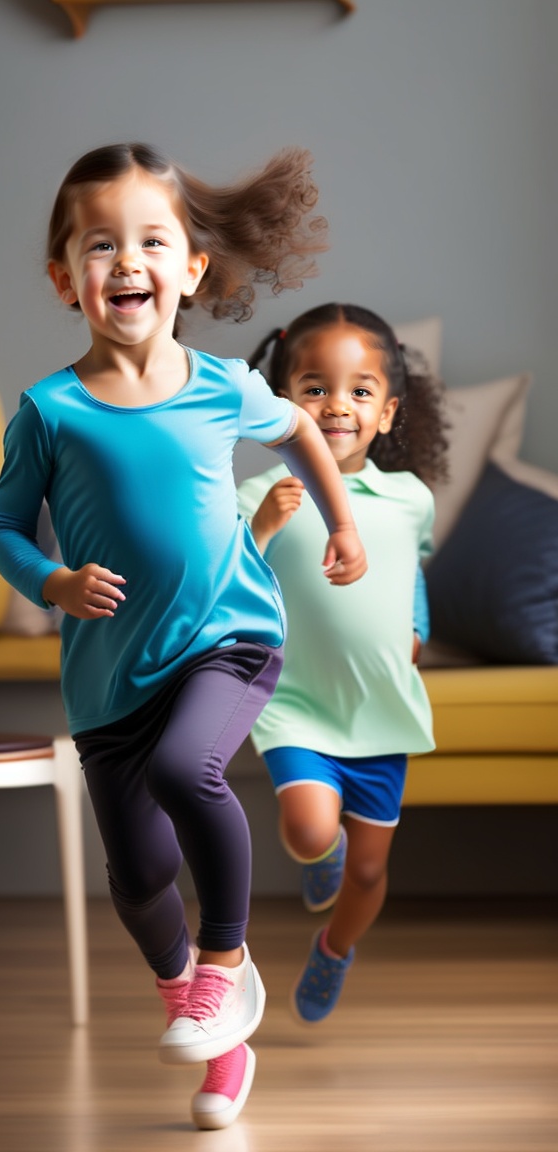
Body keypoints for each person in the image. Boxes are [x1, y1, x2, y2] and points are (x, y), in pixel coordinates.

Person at [0, 144, 367, 1130]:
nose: (128, 261)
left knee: (185, 770)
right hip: (110, 678)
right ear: (66, 278)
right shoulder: (48, 411)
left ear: (189, 268)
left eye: (152, 240)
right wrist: (54, 580)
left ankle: (227, 956)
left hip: (227, 638)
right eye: (101, 244)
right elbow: (2, 533)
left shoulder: (220, 385)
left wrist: (344, 522)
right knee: (139, 875)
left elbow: (298, 432)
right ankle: (212, 1024)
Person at [237, 303, 448, 1025]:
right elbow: (223, 585)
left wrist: (417, 628)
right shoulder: (259, 496)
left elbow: (412, 573)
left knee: (367, 872)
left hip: (379, 709)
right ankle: (316, 853)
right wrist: (262, 525)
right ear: (280, 404)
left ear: (387, 413)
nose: (336, 406)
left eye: (359, 391)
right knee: (306, 830)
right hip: (294, 701)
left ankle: (335, 948)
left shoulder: (410, 499)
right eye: (314, 387)